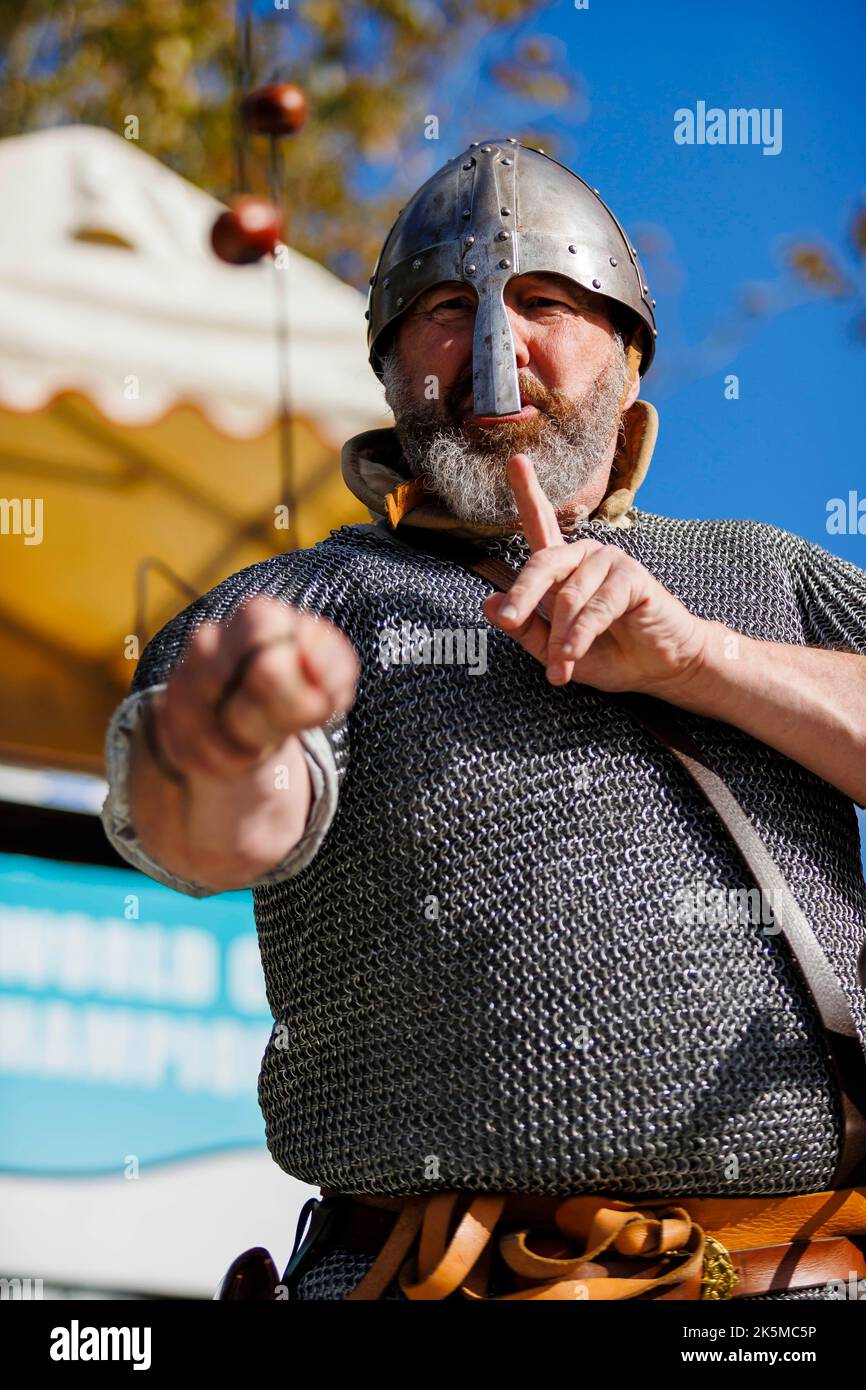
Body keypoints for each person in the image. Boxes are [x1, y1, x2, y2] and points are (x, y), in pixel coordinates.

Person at [101, 138, 866, 1301]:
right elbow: (202, 832)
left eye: (546, 302)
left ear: (626, 356)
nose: (495, 351)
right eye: (447, 310)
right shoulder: (305, 604)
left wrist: (698, 659)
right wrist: (225, 740)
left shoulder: (763, 579)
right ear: (391, 364)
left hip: (787, 1289)